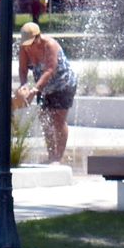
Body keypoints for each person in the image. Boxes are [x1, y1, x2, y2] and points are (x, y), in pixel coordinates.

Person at [17, 20, 76, 164]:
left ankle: (58, 157)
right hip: (44, 87)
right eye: (26, 43)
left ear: (38, 37)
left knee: (58, 119)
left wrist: (35, 89)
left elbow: (50, 70)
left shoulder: (50, 45)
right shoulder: (25, 48)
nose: (28, 46)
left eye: (31, 42)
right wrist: (24, 85)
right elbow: (23, 69)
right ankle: (51, 155)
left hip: (64, 84)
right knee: (44, 119)